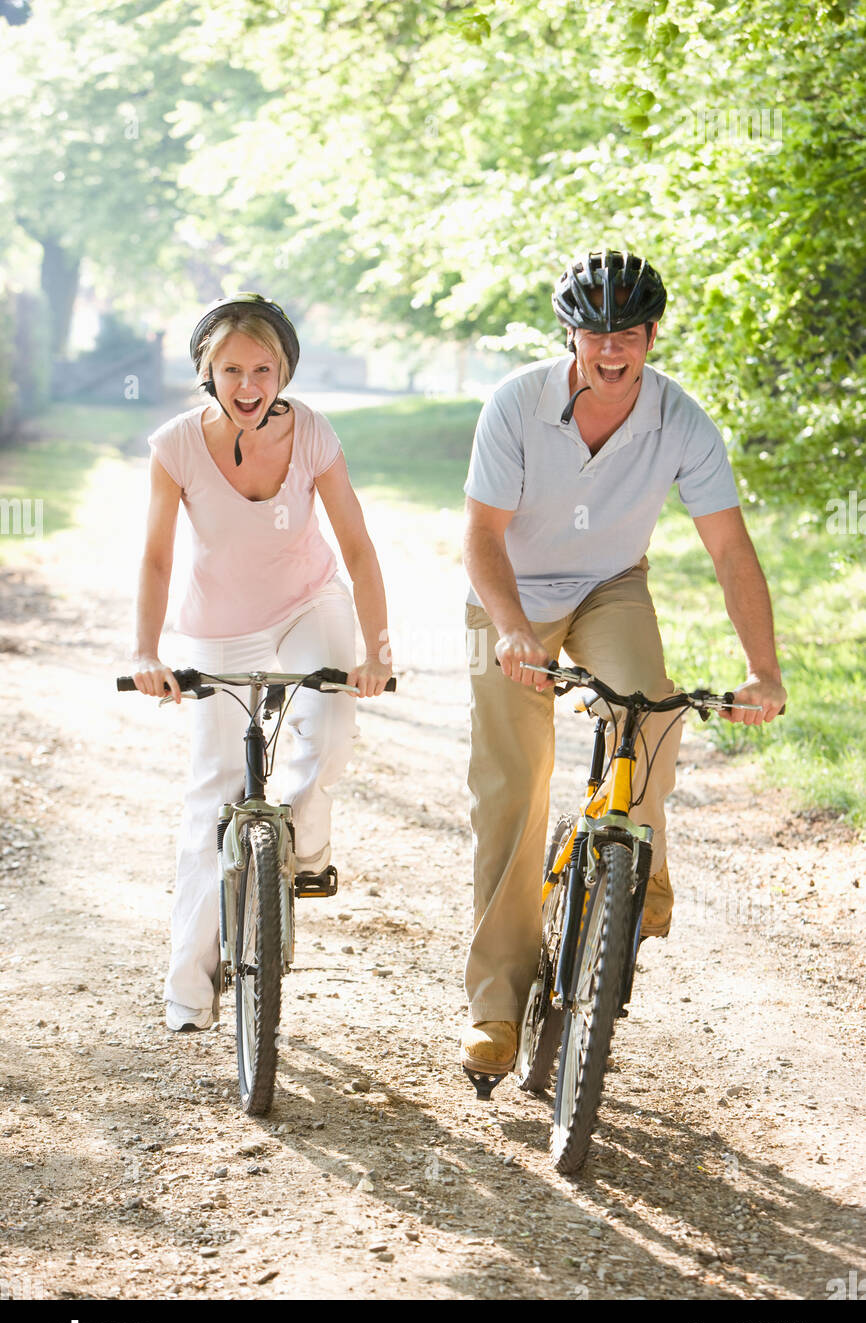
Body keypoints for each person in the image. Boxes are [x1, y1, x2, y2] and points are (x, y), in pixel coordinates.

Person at [460, 250, 787, 1079]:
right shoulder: (516, 405)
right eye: (597, 332)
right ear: (570, 333)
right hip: (512, 595)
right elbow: (482, 535)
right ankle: (497, 1005)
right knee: (513, 784)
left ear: (651, 335)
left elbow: (730, 548)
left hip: (611, 583)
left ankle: (642, 865)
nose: (613, 349)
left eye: (631, 333)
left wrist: (764, 669)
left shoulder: (679, 418)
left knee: (654, 706)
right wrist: (510, 630)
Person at [131, 293, 392, 1032]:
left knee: (330, 727)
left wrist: (378, 648)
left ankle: (304, 846)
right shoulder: (176, 446)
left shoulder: (310, 432)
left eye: (263, 369)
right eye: (231, 368)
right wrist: (147, 652)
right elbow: (155, 559)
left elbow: (359, 545)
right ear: (207, 373)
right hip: (219, 629)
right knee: (212, 791)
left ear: (284, 371)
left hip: (309, 605)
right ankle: (190, 986)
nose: (248, 384)